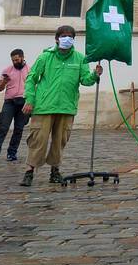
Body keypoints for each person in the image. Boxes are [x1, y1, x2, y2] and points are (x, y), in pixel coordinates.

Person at [18, 26, 101, 187]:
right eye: (63, 36)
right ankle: (29, 171)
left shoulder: (80, 58)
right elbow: (31, 78)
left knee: (60, 141)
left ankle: (55, 171)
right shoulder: (45, 57)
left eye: (70, 36)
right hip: (44, 106)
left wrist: (95, 75)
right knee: (38, 140)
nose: (67, 38)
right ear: (57, 38)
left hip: (66, 107)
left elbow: (85, 80)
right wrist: (29, 99)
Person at [0, 49, 30, 162]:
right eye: (13, 60)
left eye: (17, 60)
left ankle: (12, 153)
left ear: (22, 57)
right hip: (10, 102)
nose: (15, 62)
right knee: (3, 128)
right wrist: (4, 81)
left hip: (24, 102)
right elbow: (0, 88)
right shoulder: (7, 70)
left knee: (19, 129)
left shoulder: (31, 70)